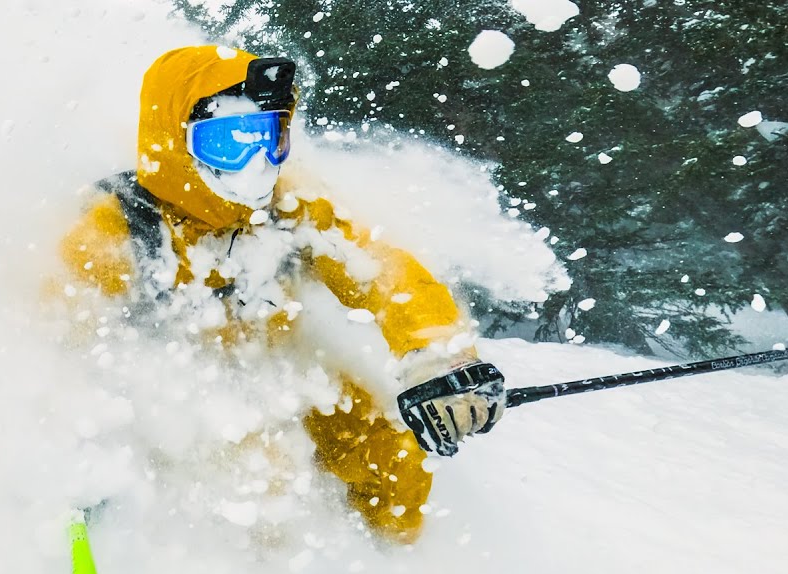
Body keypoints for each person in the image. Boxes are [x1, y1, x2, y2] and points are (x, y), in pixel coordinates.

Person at [59, 45, 505, 543]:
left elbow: (379, 270)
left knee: (393, 461)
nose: (256, 165)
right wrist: (74, 441)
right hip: (169, 404)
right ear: (175, 141)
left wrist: (438, 354)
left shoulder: (288, 206)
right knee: (262, 482)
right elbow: (54, 341)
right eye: (228, 144)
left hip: (281, 374)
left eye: (267, 138)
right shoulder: (118, 230)